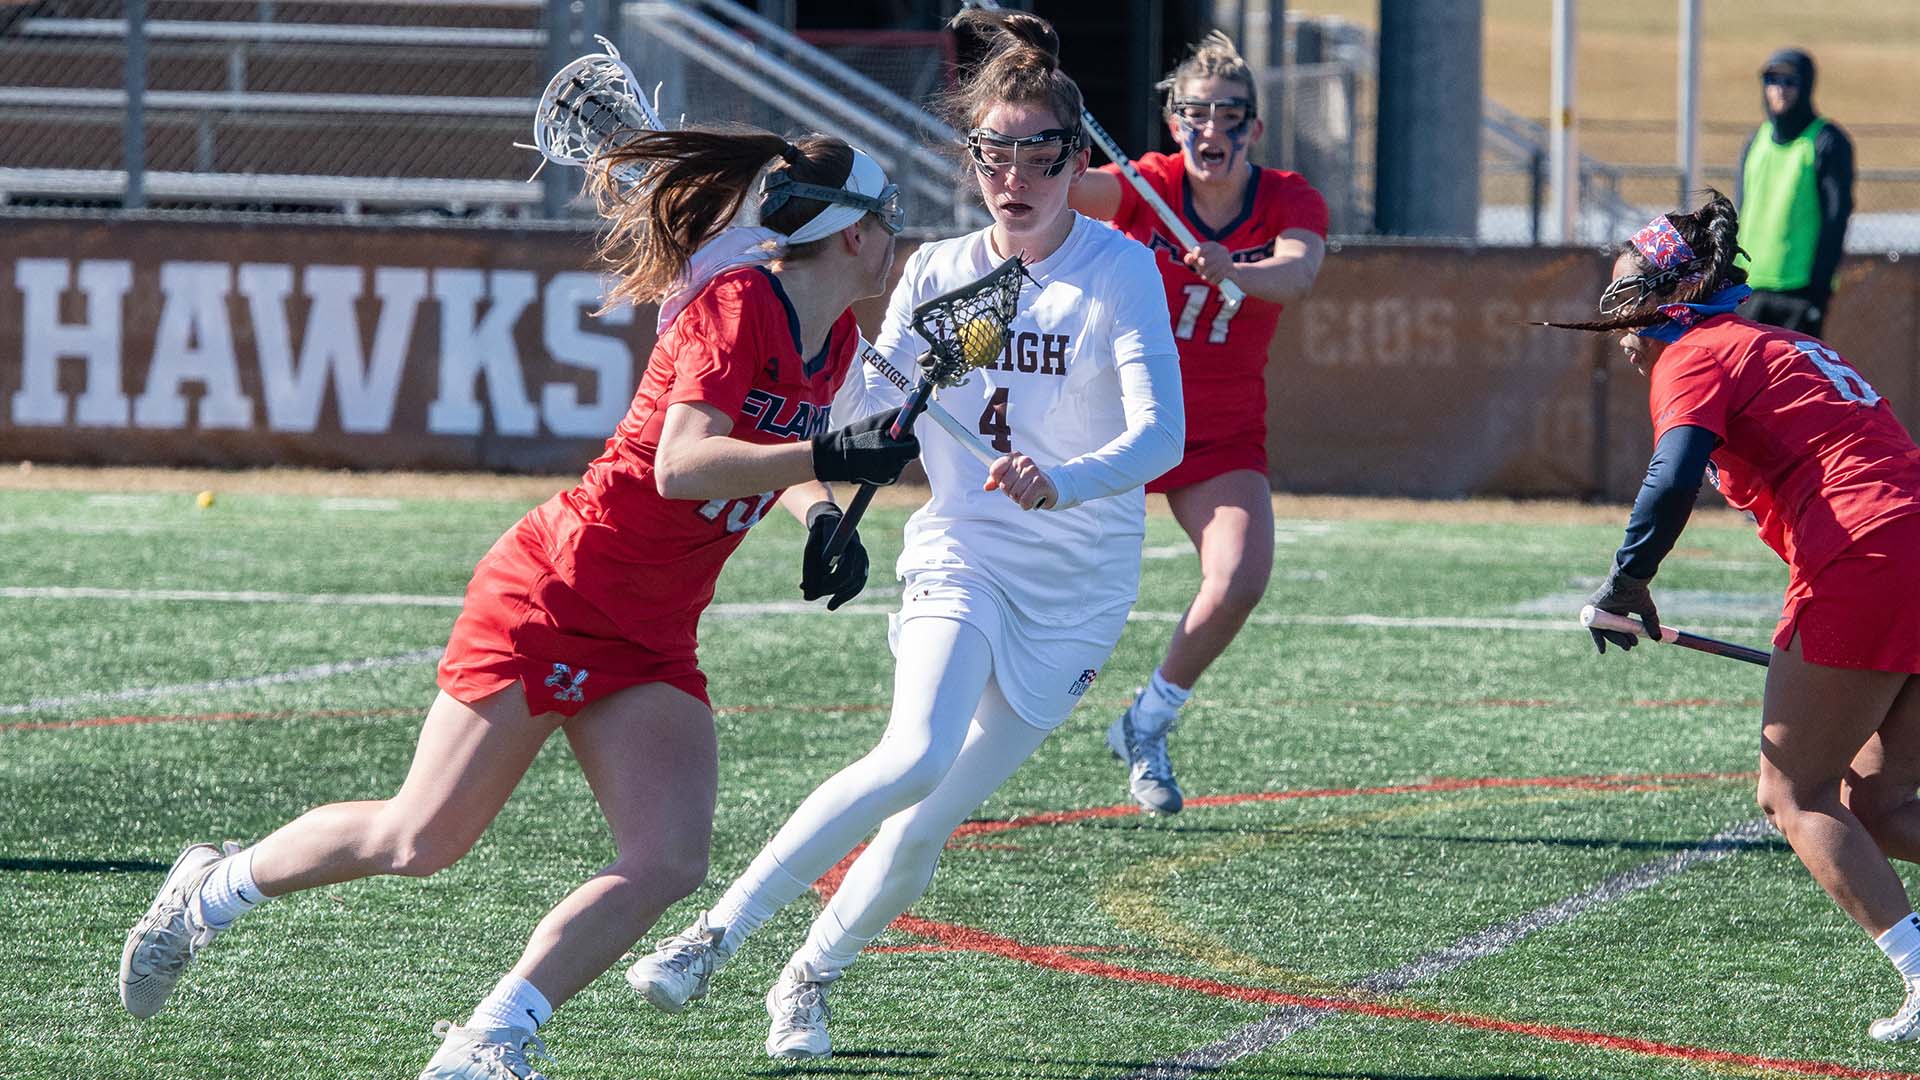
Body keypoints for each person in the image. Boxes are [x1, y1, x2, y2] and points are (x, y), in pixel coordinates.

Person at [116, 128, 923, 1079]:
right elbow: (683, 464)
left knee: (669, 858)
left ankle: (489, 1038)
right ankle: (209, 891)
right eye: (887, 219)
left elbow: (766, 448)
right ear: (855, 235)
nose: (895, 238)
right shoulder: (741, 302)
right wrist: (827, 456)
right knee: (420, 839)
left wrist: (821, 513)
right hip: (559, 593)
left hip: (651, 627)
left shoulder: (831, 334)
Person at [623, 8, 1182, 1060]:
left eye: (1039, 154)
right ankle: (712, 938)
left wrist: (1064, 480)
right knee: (914, 753)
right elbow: (865, 418)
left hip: (1079, 594)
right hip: (962, 551)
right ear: (971, 159)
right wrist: (831, 494)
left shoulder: (1119, 272)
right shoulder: (935, 271)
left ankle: (809, 976)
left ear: (1075, 158)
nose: (1014, 177)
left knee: (926, 822)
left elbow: (1163, 436)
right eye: (994, 153)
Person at [1553, 193, 1920, 1044]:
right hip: (1897, 545)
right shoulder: (1772, 344)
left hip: (1865, 557)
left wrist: (1626, 583)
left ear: (1670, 297)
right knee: (1876, 805)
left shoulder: (1696, 351)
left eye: (1624, 297)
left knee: (1792, 793)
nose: (1618, 325)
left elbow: (1672, 479)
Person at [1067, 30, 1327, 814]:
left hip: (1216, 433)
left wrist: (1234, 266)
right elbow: (1054, 189)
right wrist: (1031, 119)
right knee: (1044, 580)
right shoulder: (1146, 185)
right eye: (1196, 113)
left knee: (1240, 577)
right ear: (1174, 122)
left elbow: (1298, 273)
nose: (1212, 128)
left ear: (1255, 127)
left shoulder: (1287, 197)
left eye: (1230, 115)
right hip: (1111, 421)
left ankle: (1146, 722)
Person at [1734, 48, 1854, 340]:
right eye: (1772, 80)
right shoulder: (1756, 141)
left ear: (1806, 86)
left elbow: (1835, 218)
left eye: (1790, 81)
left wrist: (1819, 288)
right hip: (1750, 286)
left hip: (1798, 291)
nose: (1780, 89)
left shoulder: (1826, 141)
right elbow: (1742, 210)